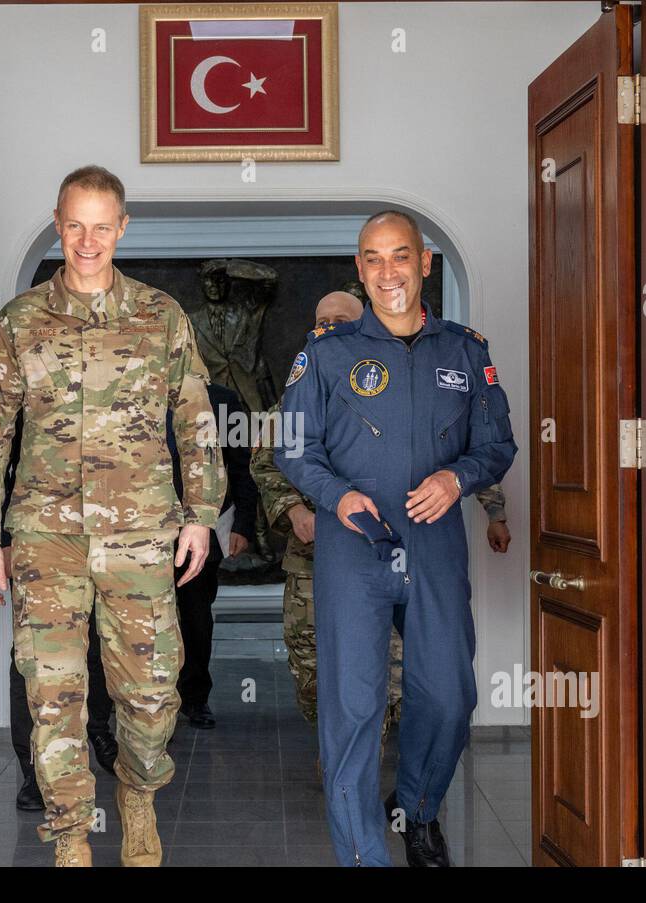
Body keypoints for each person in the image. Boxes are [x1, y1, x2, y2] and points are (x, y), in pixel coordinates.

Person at [0, 165, 226, 868]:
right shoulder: (18, 322)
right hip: (46, 538)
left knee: (150, 695)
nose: (86, 240)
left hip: (142, 537)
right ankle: (71, 837)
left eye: (101, 226)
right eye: (74, 225)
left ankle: (137, 794)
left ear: (122, 228)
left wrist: (200, 515)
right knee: (53, 695)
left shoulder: (160, 315)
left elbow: (197, 420)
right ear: (58, 222)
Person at [275, 210, 516, 867]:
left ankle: (418, 810)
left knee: (448, 697)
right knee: (353, 710)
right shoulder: (326, 354)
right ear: (360, 268)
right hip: (353, 547)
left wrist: (456, 476)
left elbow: (498, 446)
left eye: (400, 256)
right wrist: (335, 495)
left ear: (425, 262)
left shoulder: (466, 351)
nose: (388, 272)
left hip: (435, 544)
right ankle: (363, 856)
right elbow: (293, 449)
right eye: (373, 259)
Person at [252, 293, 512, 745]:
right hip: (313, 554)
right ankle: (343, 757)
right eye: (321, 320)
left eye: (340, 320)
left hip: (396, 551)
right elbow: (269, 462)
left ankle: (392, 765)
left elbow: (464, 450)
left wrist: (495, 511)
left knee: (394, 667)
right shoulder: (298, 393)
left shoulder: (413, 381)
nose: (329, 327)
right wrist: (293, 510)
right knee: (315, 662)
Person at [0, 409, 116, 814]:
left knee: (104, 644)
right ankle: (35, 771)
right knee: (33, 657)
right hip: (40, 536)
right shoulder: (32, 366)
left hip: (113, 537)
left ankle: (97, 731)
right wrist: (1, 538)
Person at [172, 382, 258, 729]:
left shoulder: (223, 399)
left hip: (202, 528)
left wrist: (244, 524)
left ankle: (194, 698)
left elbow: (242, 465)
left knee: (195, 618)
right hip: (140, 531)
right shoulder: (136, 389)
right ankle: (148, 708)